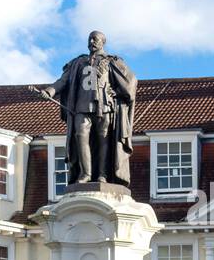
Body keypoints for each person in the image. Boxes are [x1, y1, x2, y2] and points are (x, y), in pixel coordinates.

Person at [35, 30, 137, 188]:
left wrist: (117, 93)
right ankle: (86, 173)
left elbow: (130, 81)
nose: (91, 42)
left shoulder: (112, 61)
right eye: (90, 39)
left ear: (103, 42)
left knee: (104, 140)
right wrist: (50, 91)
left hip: (105, 107)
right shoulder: (78, 62)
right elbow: (62, 81)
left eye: (95, 39)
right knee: (80, 136)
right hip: (81, 107)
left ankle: (103, 174)